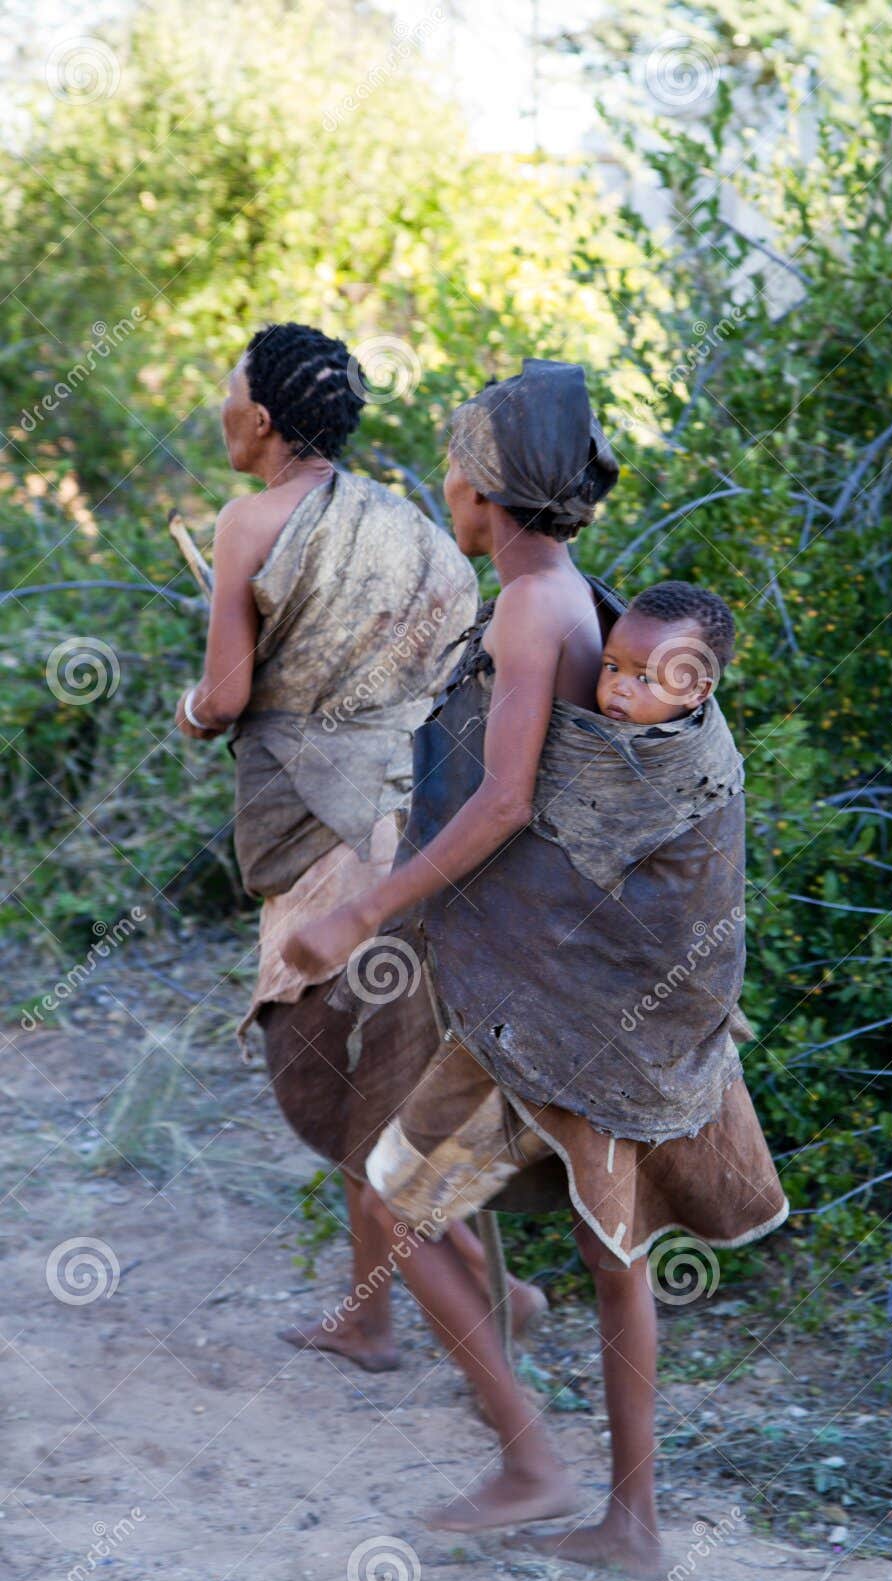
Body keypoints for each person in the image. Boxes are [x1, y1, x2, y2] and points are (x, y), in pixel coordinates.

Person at [284, 358, 787, 1574]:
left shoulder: (528, 608)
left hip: (566, 995)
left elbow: (508, 800)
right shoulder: (564, 598)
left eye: (454, 467)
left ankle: (548, 1470)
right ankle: (613, 1510)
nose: (444, 487)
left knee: (411, 1201)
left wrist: (364, 913)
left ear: (485, 489)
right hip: (587, 988)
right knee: (602, 1251)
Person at [174, 321, 543, 1371]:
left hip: (323, 837)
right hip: (417, 824)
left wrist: (192, 712)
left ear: (259, 418)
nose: (221, 406)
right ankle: (386, 1311)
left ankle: (474, 1305)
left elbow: (227, 695)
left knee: (317, 1082)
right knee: (374, 1080)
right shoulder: (410, 524)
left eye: (229, 389)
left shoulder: (249, 520)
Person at [596, 580, 735, 725]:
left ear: (696, 692)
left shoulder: (704, 739)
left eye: (645, 679)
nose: (620, 689)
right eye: (612, 667)